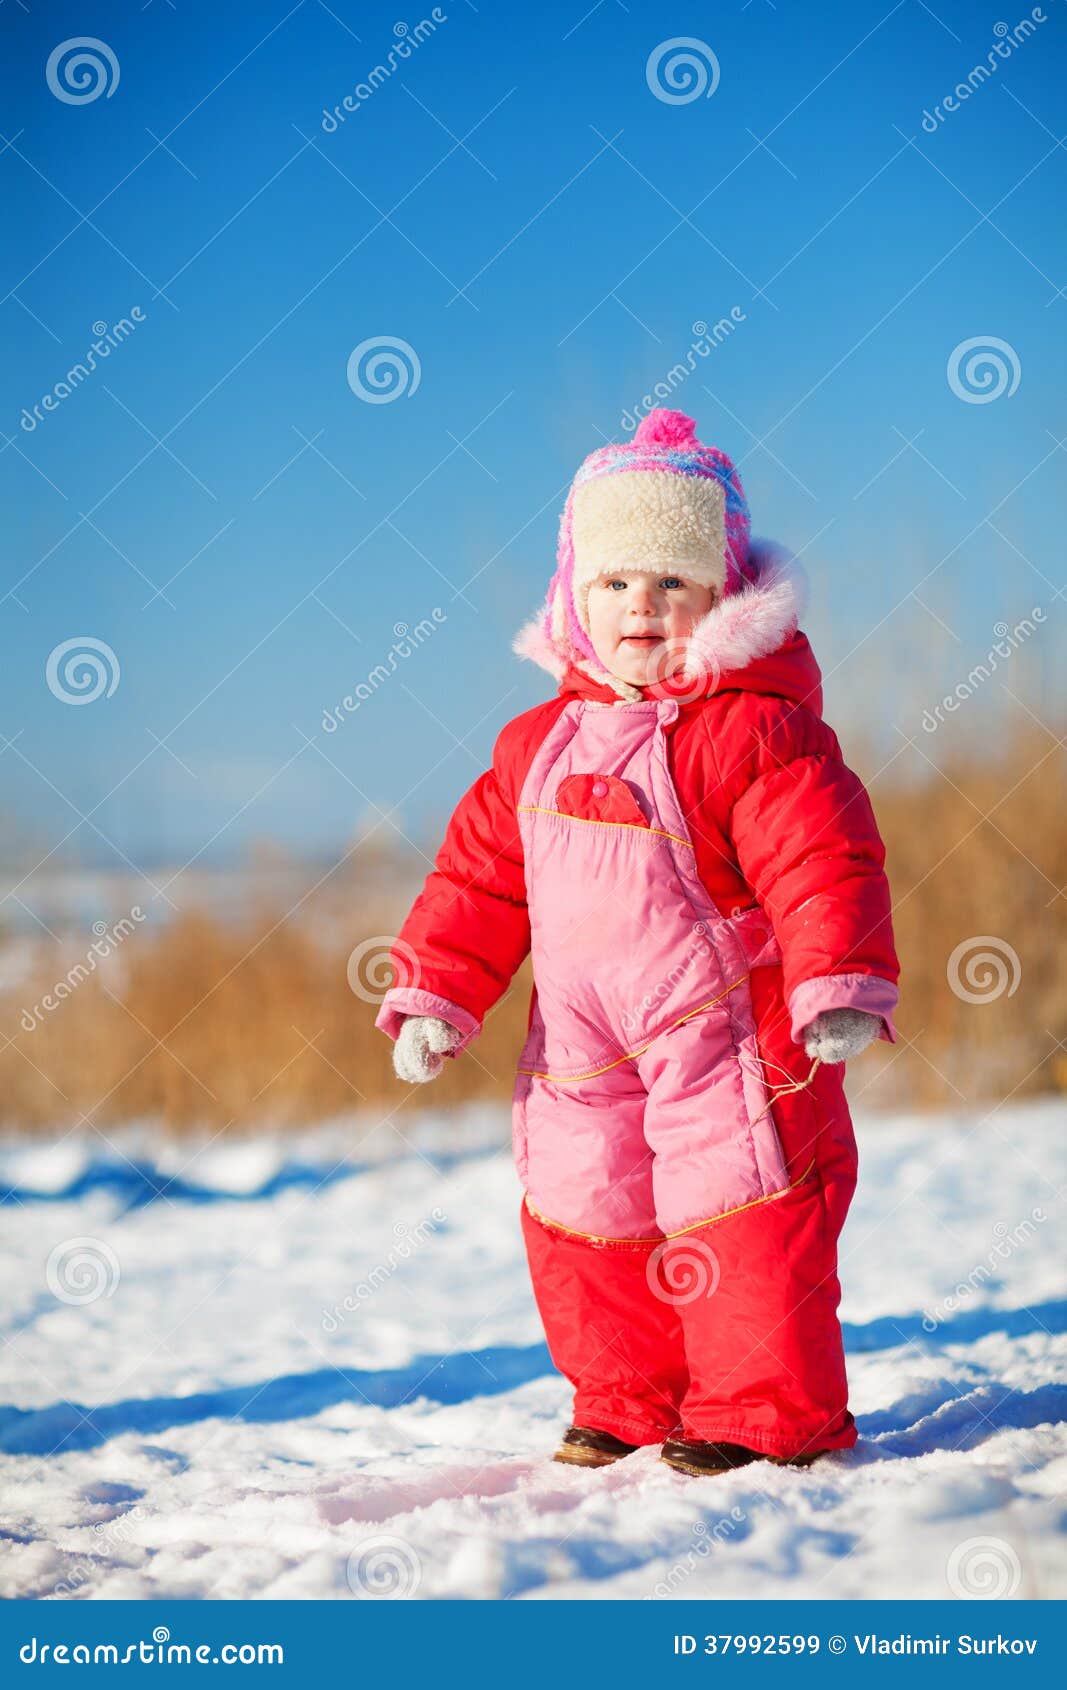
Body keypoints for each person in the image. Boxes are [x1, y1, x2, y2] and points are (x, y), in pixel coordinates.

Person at [374, 407, 900, 1477]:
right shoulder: (534, 745)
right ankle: (624, 1393)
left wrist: (834, 979)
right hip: (577, 1036)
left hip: (723, 1026)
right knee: (583, 1203)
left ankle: (758, 1407)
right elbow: (478, 876)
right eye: (614, 583)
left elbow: (820, 858)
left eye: (671, 581)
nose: (640, 607)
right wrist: (436, 990)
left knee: (737, 1202)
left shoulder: (750, 727)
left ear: (722, 594)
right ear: (575, 595)